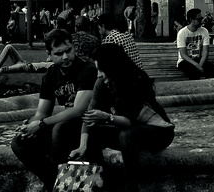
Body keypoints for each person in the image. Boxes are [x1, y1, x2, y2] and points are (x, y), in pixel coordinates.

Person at [71, 43, 174, 192]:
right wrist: (82, 145)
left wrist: (107, 117)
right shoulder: (101, 83)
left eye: (101, 69)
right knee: (93, 133)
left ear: (113, 67)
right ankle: (99, 185)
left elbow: (129, 121)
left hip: (158, 132)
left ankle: (131, 187)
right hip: (128, 129)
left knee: (127, 135)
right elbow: (89, 115)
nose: (99, 74)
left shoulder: (135, 81)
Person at [10, 28, 98, 191]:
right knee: (19, 141)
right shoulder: (50, 75)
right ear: (49, 54)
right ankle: (54, 182)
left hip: (88, 126)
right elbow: (42, 113)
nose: (65, 57)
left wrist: (42, 124)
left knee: (60, 129)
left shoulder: (88, 69)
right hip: (66, 125)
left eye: (68, 51)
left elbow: (79, 110)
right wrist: (29, 125)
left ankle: (62, 184)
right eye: (59, 53)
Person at [102, 10, 149, 76]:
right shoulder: (126, 34)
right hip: (138, 73)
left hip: (126, 76)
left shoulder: (110, 39)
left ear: (103, 27)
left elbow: (107, 63)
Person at [173, 8, 210, 78]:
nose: (201, 21)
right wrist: (196, 65)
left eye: (201, 18)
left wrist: (200, 65)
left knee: (211, 69)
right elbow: (183, 54)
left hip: (198, 59)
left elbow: (205, 52)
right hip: (185, 61)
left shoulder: (204, 31)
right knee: (193, 73)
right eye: (199, 19)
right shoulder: (182, 33)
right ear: (191, 20)